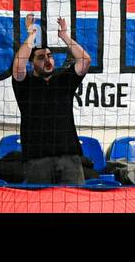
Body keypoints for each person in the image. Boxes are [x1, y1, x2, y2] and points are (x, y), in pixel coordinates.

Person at [10, 13, 91, 184]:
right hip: (37, 159)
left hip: (70, 157)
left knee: (76, 206)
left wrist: (64, 35)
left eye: (50, 56)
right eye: (41, 57)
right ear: (32, 63)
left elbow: (85, 60)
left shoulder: (63, 80)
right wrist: (31, 35)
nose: (47, 60)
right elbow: (18, 65)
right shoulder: (25, 85)